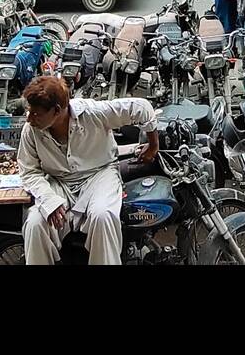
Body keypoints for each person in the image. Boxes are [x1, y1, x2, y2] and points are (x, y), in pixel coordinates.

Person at [18, 75, 158, 265]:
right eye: (29, 111)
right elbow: (29, 171)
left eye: (36, 114)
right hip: (59, 181)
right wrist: (49, 200)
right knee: (35, 224)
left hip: (99, 174)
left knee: (103, 216)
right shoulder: (31, 129)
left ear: (57, 110)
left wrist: (153, 145)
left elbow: (142, 107)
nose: (30, 118)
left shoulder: (93, 113)